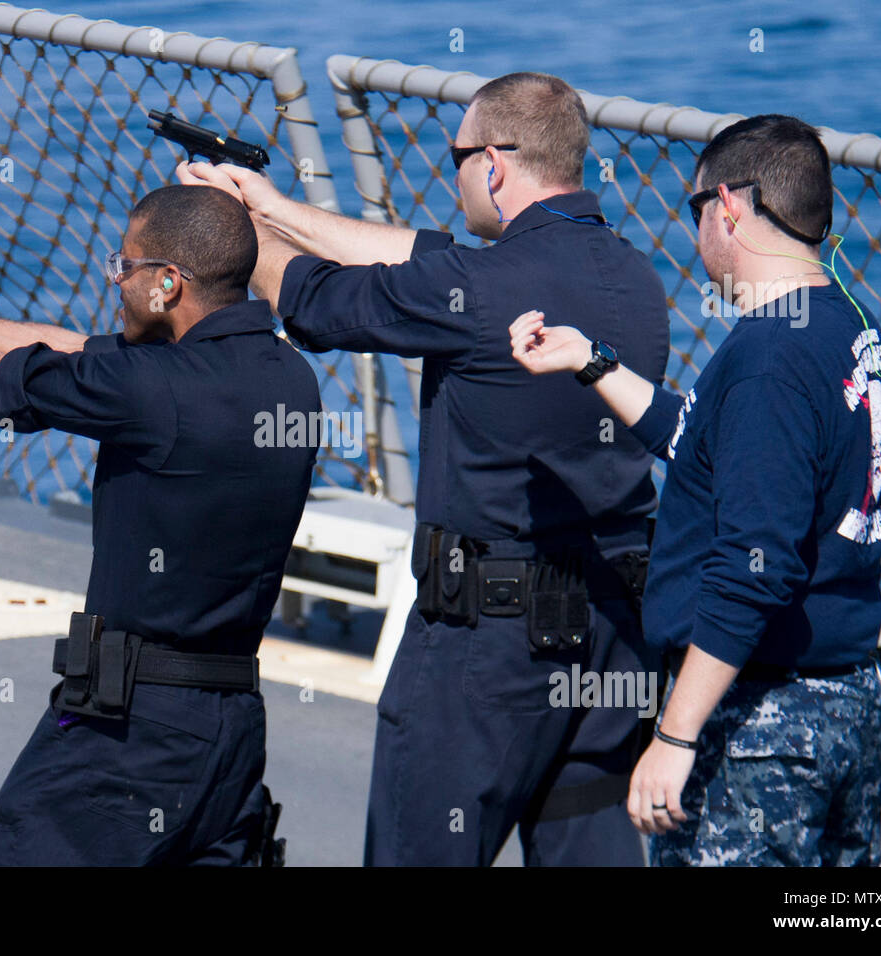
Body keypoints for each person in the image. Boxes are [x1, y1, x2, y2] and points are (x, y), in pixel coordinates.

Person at [181, 72, 669, 866]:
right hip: (613, 636)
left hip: (489, 646)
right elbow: (427, 259)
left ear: (496, 164)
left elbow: (310, 299)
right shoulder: (636, 282)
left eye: (457, 157)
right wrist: (269, 204)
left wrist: (226, 225)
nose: (452, 174)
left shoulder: (476, 290)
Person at [0, 184, 321, 865]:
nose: (115, 281)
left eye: (125, 267)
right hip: (228, 735)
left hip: (128, 737)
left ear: (168, 283)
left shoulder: (154, 391)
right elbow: (67, 351)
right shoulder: (287, 379)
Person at [509, 114, 881, 866]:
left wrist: (675, 735)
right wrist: (592, 363)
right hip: (848, 703)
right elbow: (708, 443)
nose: (694, 234)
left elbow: (755, 561)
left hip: (766, 727)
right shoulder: (840, 322)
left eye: (694, 212)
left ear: (728, 206)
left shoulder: (767, 359)